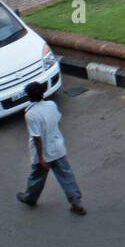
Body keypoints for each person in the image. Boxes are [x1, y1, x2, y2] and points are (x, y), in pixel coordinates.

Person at [17, 81, 86, 214]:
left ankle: (30, 198)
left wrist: (42, 157)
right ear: (42, 94)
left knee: (36, 177)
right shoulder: (51, 105)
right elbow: (56, 120)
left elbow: (37, 137)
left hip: (43, 153)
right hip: (57, 148)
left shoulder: (30, 114)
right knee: (66, 176)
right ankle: (76, 201)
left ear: (28, 97)